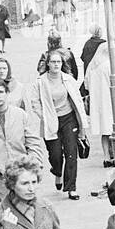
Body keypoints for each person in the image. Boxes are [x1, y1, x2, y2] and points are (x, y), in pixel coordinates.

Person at [0, 78, 48, 205]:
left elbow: (33, 142)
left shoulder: (20, 115)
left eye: (1, 92)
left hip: (22, 170)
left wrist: (36, 165)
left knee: (26, 207)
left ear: (7, 93)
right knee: (6, 211)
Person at [29, 49, 87, 200]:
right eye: (53, 62)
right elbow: (34, 102)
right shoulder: (40, 82)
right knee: (55, 155)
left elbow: (78, 101)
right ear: (48, 64)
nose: (56, 64)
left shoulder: (68, 79)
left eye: (59, 62)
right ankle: (57, 172)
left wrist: (83, 125)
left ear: (62, 64)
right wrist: (43, 116)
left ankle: (71, 188)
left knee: (71, 152)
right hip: (50, 121)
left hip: (68, 118)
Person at [82, 28, 115, 167]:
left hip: (98, 105)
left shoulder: (93, 68)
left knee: (104, 131)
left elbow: (86, 84)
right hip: (110, 102)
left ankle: (106, 157)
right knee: (114, 129)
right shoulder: (110, 66)